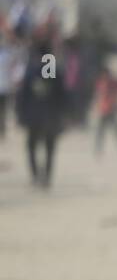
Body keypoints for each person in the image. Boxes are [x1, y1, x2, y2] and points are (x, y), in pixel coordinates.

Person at [16, 38, 66, 188]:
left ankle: (36, 175)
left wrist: (20, 114)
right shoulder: (52, 69)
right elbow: (61, 94)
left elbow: (23, 94)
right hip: (50, 115)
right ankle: (45, 176)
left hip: (34, 116)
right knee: (48, 147)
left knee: (32, 146)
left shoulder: (32, 69)